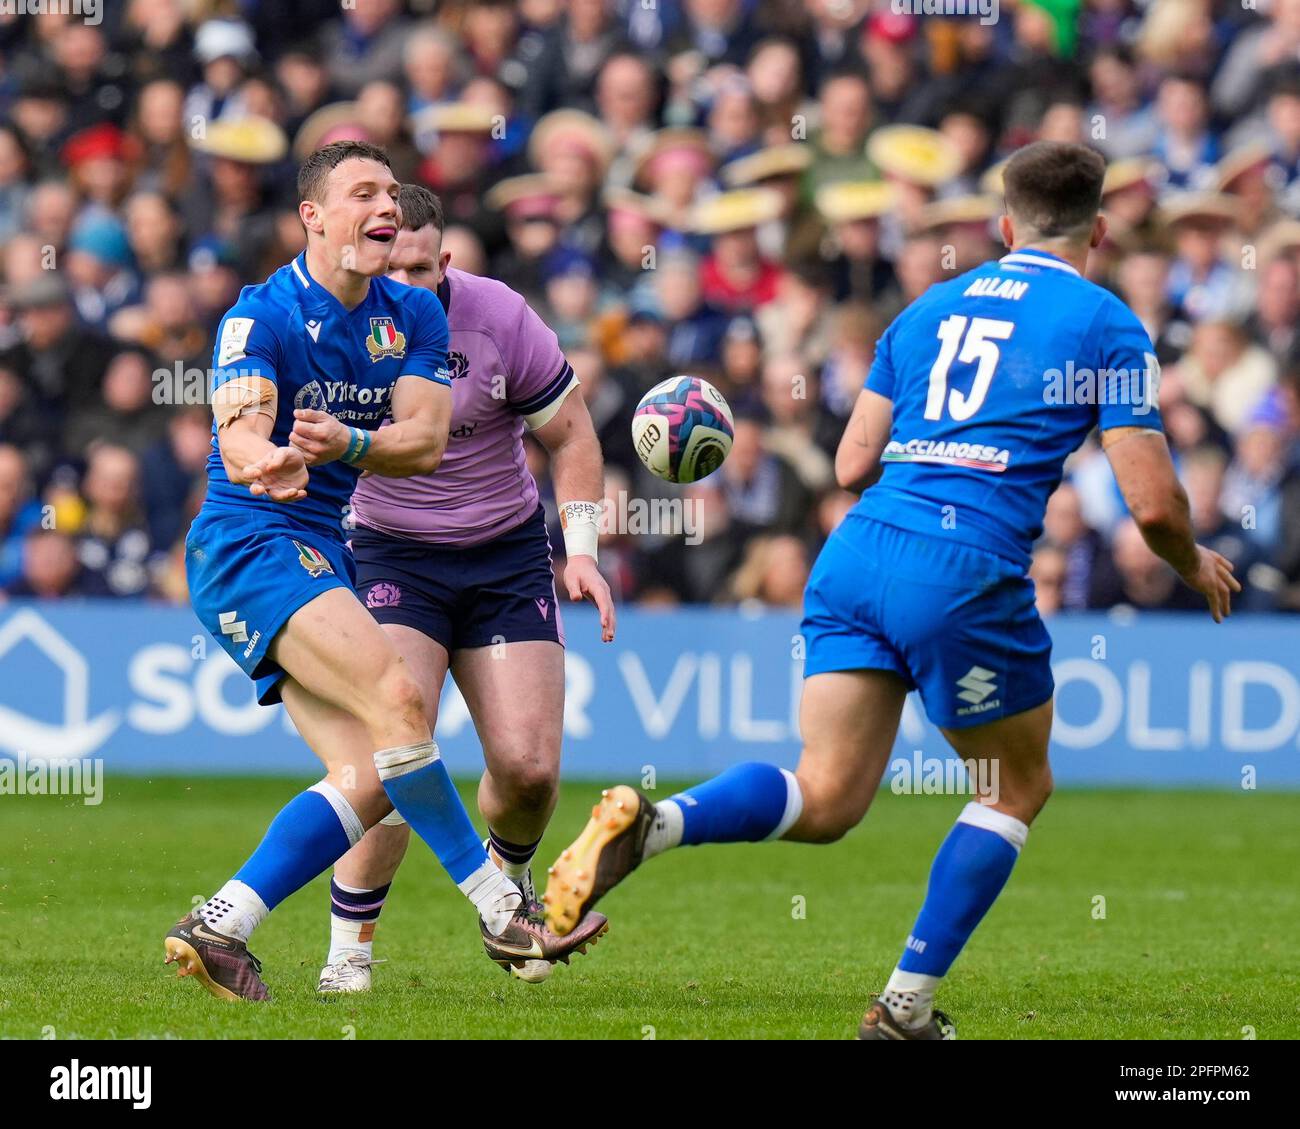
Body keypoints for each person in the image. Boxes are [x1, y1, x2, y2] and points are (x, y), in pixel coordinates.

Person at [541, 141, 1241, 1039]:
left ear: (1001, 226)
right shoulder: (1107, 324)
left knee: (827, 796)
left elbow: (850, 461)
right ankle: (905, 1006)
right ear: (1099, 229)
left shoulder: (925, 310)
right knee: (1012, 786)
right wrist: (1194, 561)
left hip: (858, 553)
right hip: (964, 569)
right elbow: (1149, 504)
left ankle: (661, 822)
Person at [165, 141, 603, 1002]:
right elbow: (239, 429)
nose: (385, 208)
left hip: (324, 547)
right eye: (362, 193)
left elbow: (426, 439)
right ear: (313, 218)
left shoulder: (417, 317)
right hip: (251, 542)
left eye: (390, 195)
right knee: (404, 706)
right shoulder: (260, 316)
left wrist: (352, 442)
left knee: (369, 778)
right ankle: (498, 908)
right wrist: (269, 456)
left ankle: (220, 924)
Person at [313, 183, 615, 993]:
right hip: (391, 555)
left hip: (505, 553)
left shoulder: (499, 316)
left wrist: (578, 549)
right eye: (390, 266)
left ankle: (506, 891)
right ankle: (350, 953)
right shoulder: (335, 322)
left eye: (422, 267)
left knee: (529, 771)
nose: (406, 283)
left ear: (445, 260)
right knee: (392, 757)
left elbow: (572, 432)